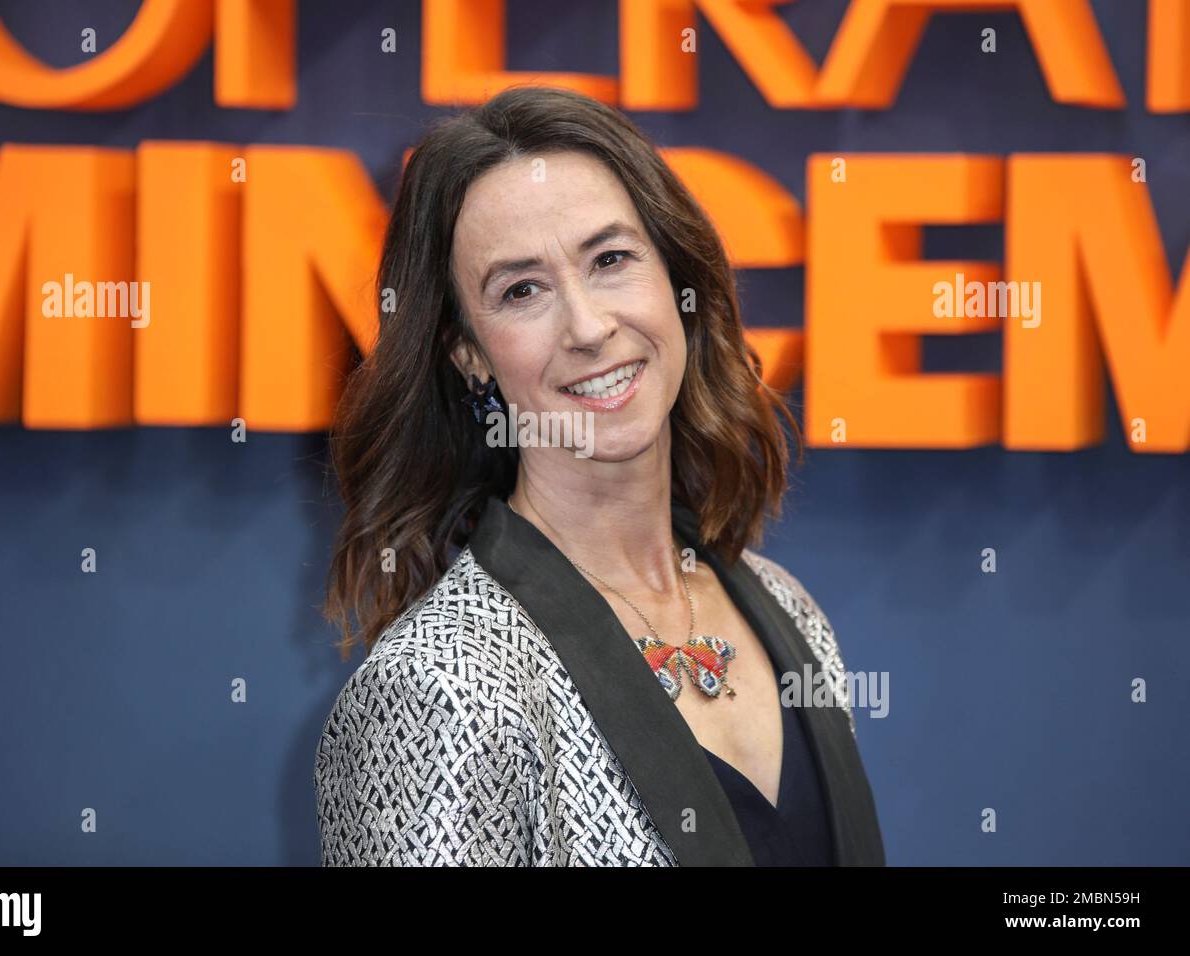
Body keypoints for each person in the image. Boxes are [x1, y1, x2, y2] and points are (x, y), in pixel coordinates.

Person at [314, 85, 885, 866]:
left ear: (676, 279)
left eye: (611, 259)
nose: (587, 327)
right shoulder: (436, 687)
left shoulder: (791, 612)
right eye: (522, 290)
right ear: (469, 352)